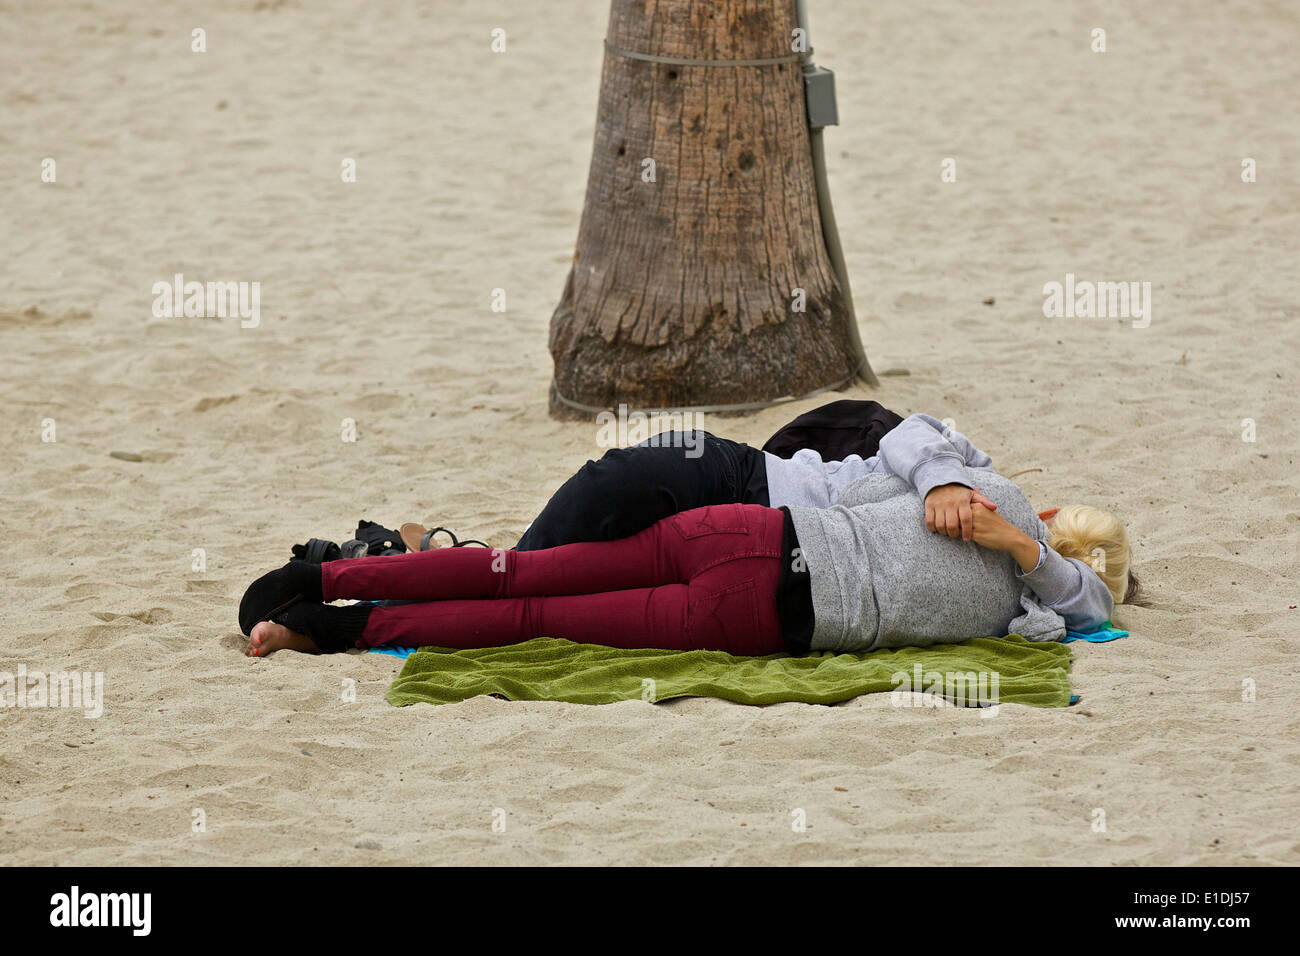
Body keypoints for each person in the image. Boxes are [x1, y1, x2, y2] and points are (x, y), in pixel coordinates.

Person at [238, 415, 1136, 657]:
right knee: (534, 605)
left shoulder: (1010, 522)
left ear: (1055, 528)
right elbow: (1083, 608)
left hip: (748, 538)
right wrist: (956, 492)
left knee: (528, 577)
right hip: (757, 569)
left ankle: (332, 590)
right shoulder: (1019, 579)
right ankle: (335, 614)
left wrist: (1021, 544)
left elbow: (1082, 600)